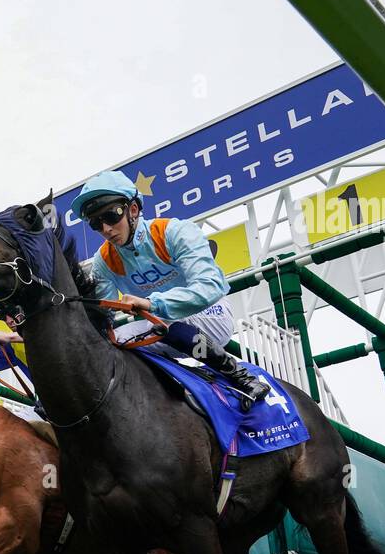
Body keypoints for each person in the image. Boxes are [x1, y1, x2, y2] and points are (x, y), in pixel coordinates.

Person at [73, 170, 270, 411]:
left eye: (111, 216)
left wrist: (152, 303)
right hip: (159, 324)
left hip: (212, 313)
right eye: (95, 223)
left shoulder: (175, 232)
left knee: (167, 325)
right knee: (110, 344)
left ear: (133, 210)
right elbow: (103, 320)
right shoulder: (104, 260)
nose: (105, 228)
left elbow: (211, 287)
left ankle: (241, 377)